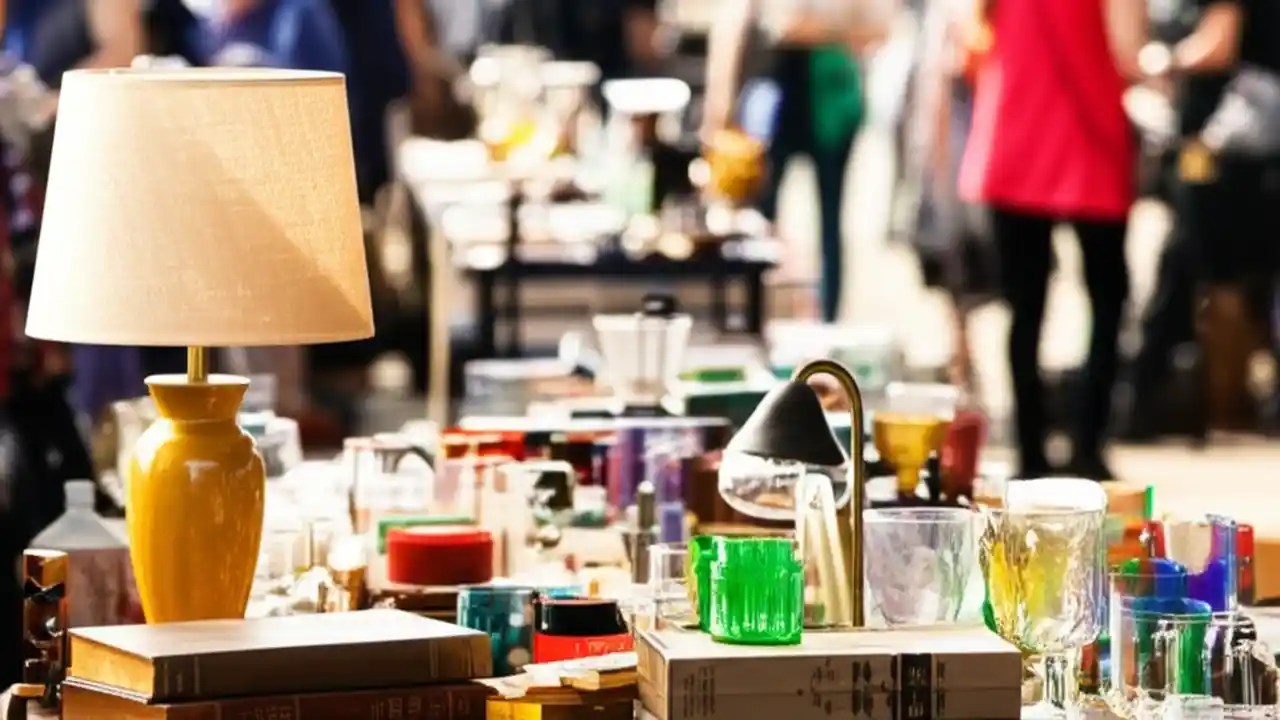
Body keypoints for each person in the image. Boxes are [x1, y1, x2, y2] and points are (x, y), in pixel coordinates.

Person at [959, 0, 1146, 480]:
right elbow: (1129, 51)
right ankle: (1088, 445)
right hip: (1091, 132)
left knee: (1025, 309)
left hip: (1017, 129)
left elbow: (968, 36)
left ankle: (1030, 453)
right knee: (1107, 299)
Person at [1132, 0, 1280, 433]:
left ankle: (1153, 395)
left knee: (1188, 266)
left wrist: (1164, 60)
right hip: (1242, 149)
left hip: (1223, 147)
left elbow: (1220, 43)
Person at [703, 0, 889, 324]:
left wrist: (821, 31)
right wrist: (720, 104)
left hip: (830, 95)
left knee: (830, 221)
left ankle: (828, 320)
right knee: (759, 217)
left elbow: (880, 28)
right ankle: (758, 315)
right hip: (777, 89)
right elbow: (738, 21)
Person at [905, 0, 996, 396]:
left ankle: (965, 358)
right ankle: (961, 357)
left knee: (975, 263)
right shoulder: (950, 16)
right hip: (961, 150)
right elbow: (935, 92)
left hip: (982, 141)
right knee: (956, 261)